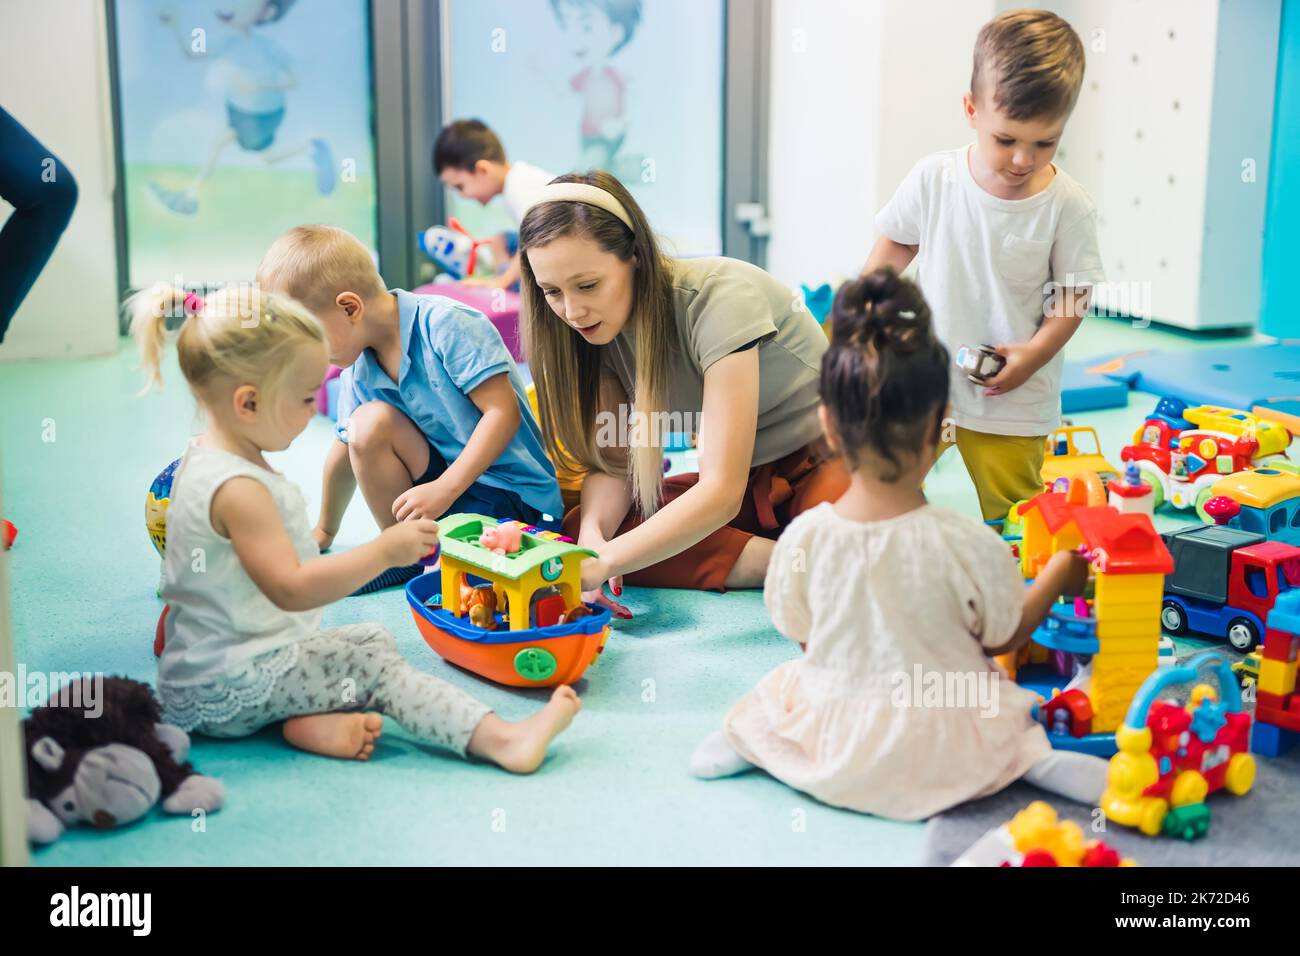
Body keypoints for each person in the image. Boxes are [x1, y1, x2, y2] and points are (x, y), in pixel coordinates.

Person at [689, 271, 1109, 820]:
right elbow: (1002, 634)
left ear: (828, 429)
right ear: (942, 427)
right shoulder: (964, 541)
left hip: (842, 724)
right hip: (943, 727)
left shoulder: (806, 537)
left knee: (785, 691)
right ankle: (1040, 764)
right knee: (1010, 722)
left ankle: (754, 743)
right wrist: (1060, 572)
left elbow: (800, 632)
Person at [130, 282, 579, 769]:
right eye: (304, 400)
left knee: (369, 638)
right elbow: (294, 590)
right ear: (248, 404)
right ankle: (500, 740)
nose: (311, 415)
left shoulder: (201, 459)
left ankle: (303, 721)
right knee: (378, 668)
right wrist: (385, 551)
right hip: (236, 681)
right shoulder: (242, 492)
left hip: (202, 667)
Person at [520, 171, 848, 610]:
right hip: (750, 482)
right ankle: (784, 561)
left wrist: (609, 561)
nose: (573, 311)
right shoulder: (595, 332)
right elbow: (617, 463)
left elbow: (721, 491)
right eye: (551, 292)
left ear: (635, 256)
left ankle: (799, 560)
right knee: (584, 523)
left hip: (819, 462)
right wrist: (594, 544)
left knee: (862, 543)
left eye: (588, 285)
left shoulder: (719, 297)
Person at [862, 9, 1104, 526]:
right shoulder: (935, 179)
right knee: (883, 492)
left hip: (1011, 396)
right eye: (1007, 140)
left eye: (1045, 143)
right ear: (972, 110)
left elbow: (1073, 296)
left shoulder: (1068, 205)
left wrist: (1036, 354)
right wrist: (869, 309)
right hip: (925, 382)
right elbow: (895, 244)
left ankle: (1021, 595)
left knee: (1018, 516)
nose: (1022, 160)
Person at [257, 225, 563, 593]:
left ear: (350, 307)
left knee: (479, 581)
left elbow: (502, 413)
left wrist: (445, 490)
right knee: (365, 425)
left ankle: (435, 558)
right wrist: (324, 530)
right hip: (443, 491)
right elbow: (343, 450)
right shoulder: (358, 367)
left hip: (511, 495)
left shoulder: (447, 324)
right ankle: (405, 551)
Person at [433, 119, 555, 290]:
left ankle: (508, 287)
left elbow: (533, 241)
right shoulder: (518, 179)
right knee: (499, 241)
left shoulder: (518, 187)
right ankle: (507, 285)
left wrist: (502, 281)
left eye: (460, 187)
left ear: (483, 170)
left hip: (559, 243)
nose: (462, 195)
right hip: (546, 239)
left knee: (509, 245)